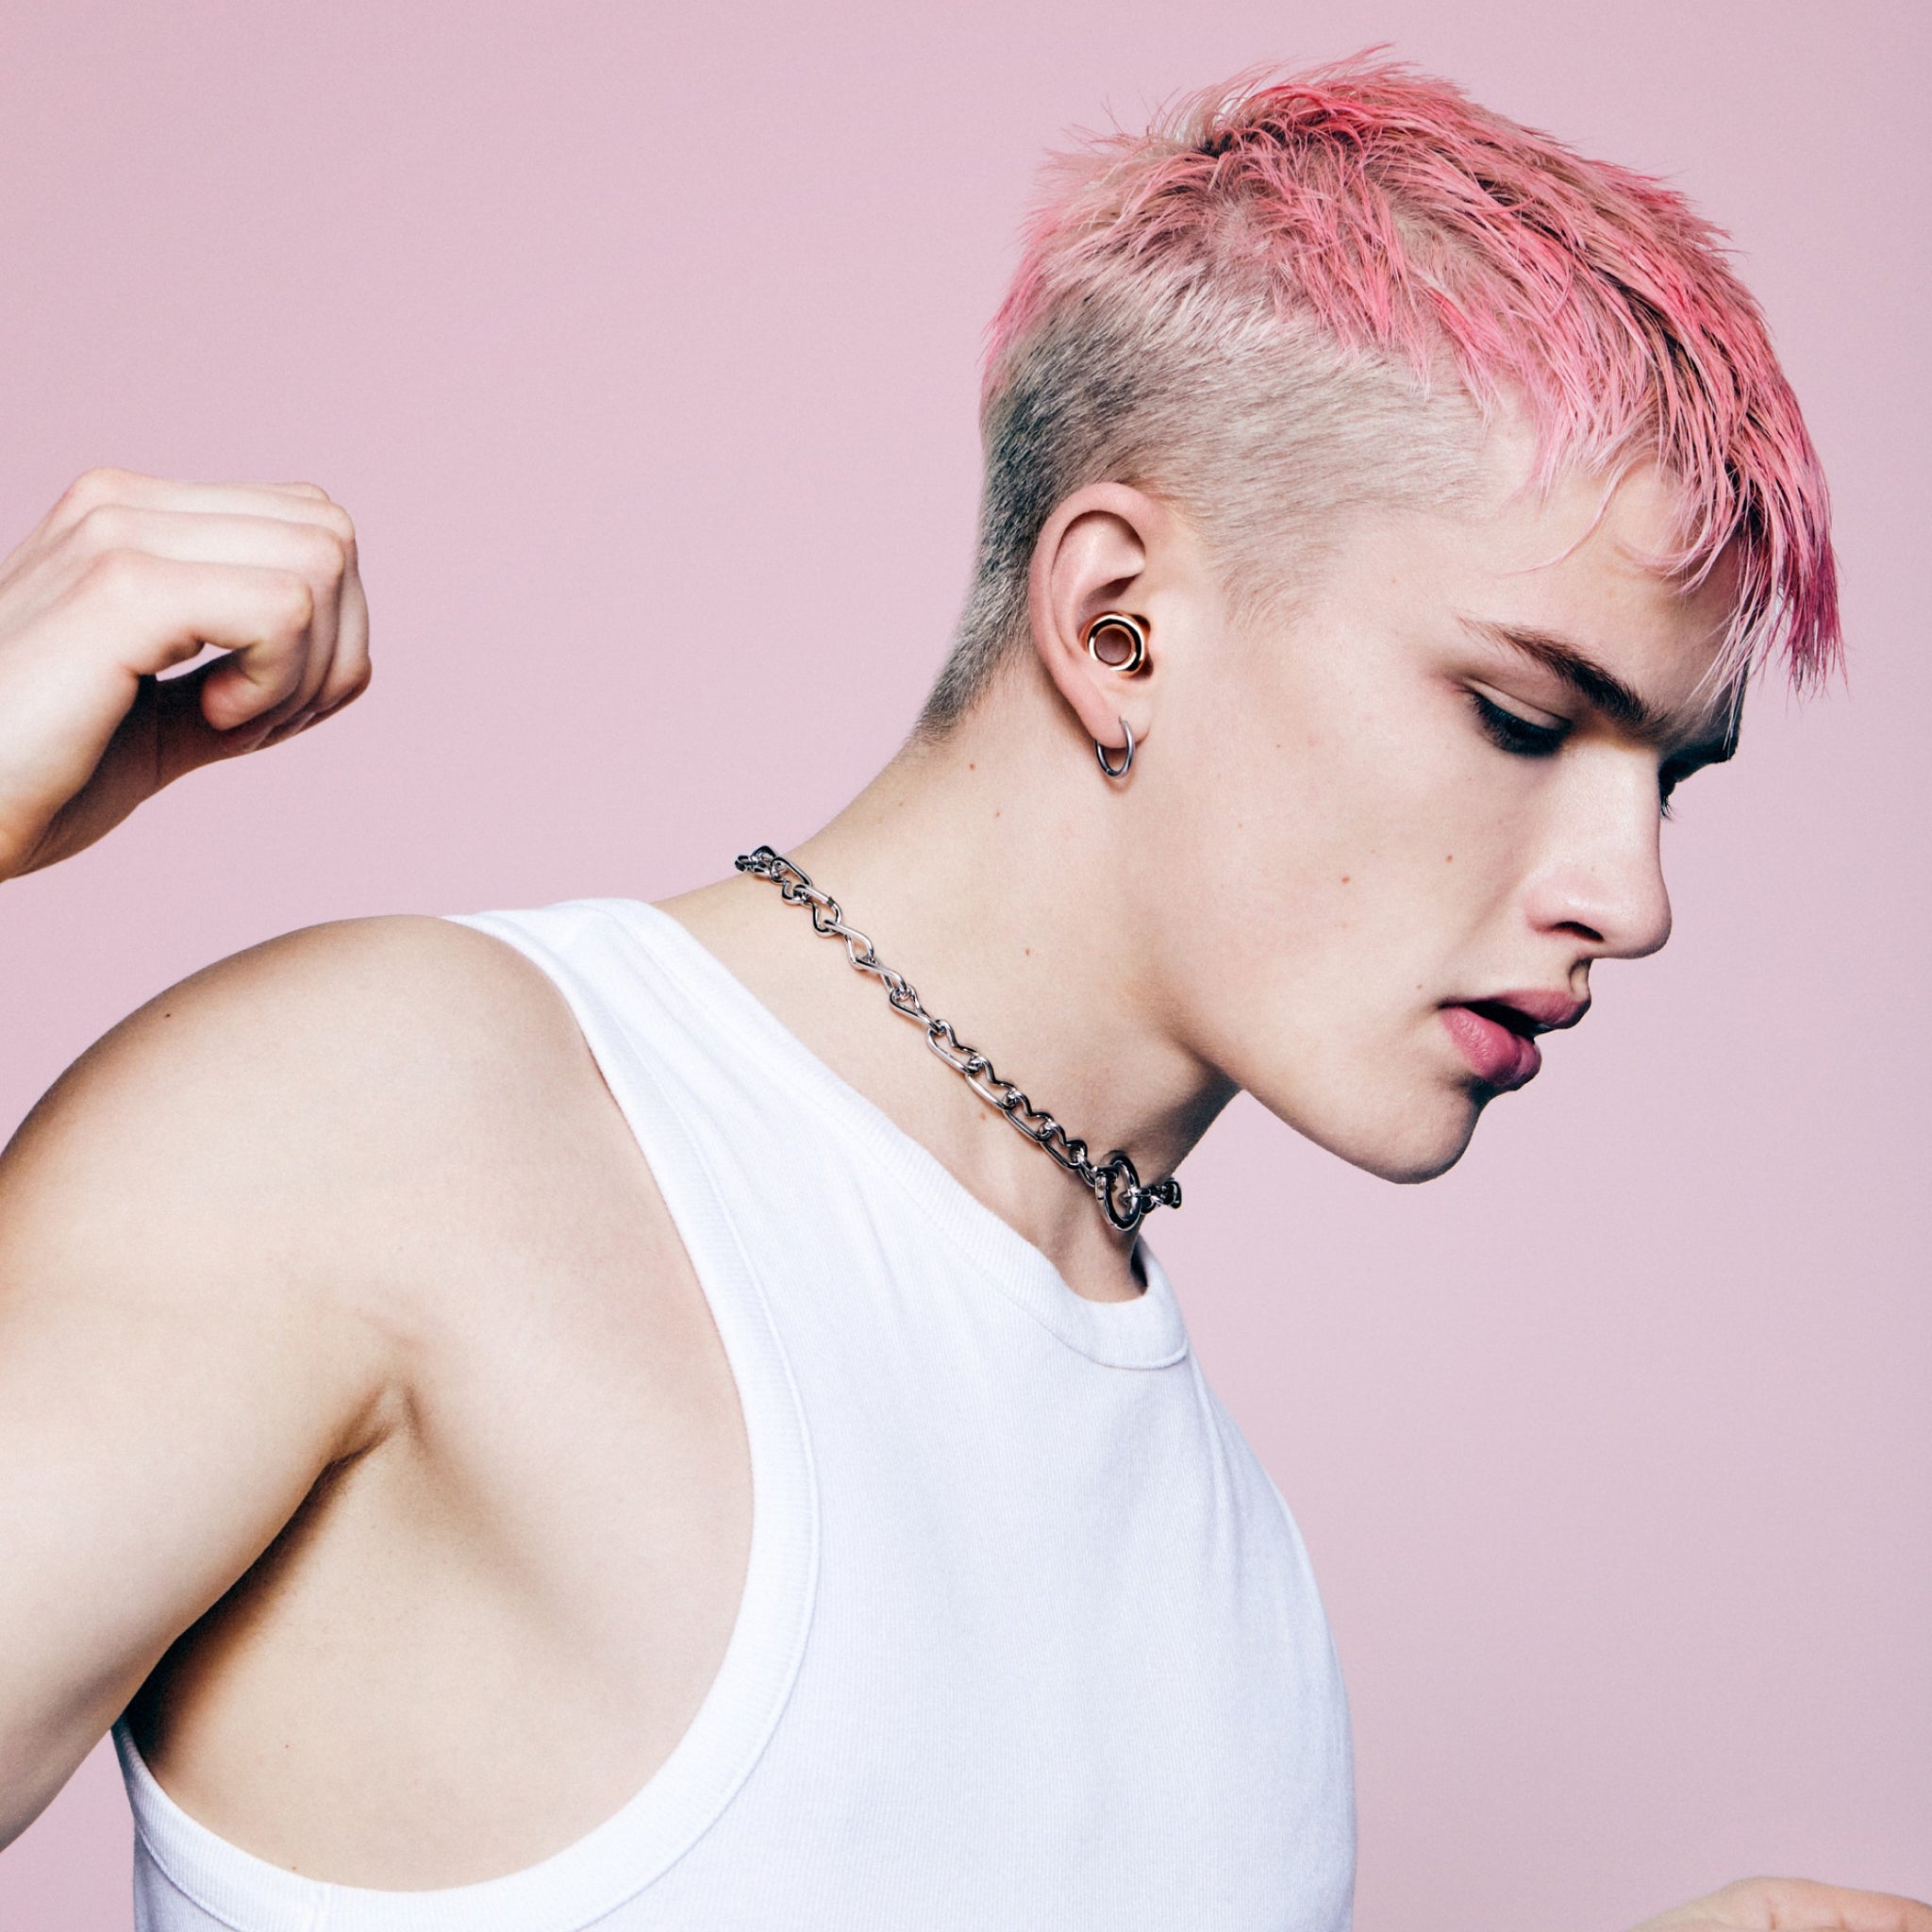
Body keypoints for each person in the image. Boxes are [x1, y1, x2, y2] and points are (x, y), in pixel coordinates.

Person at [0, 57, 1923, 1932]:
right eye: (1520, 718)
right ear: (1117, 624)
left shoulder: (1230, 1562)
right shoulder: (387, 1127)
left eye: (1667, 780)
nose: (1631, 899)